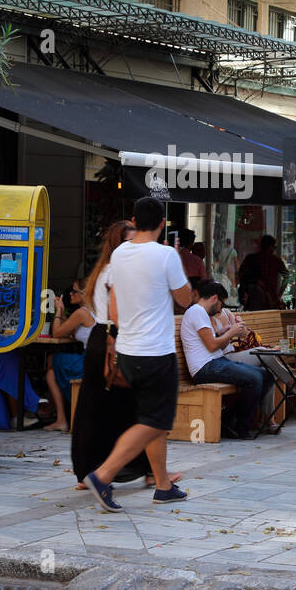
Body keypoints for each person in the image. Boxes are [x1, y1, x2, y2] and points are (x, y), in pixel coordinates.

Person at [84, 197, 193, 512]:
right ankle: (103, 475)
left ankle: (162, 485)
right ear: (162, 224)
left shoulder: (119, 254)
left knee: (151, 415)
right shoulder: (166, 255)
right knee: (155, 421)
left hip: (127, 352)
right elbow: (185, 299)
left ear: (134, 220)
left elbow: (116, 306)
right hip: (156, 352)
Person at [71, 220, 153, 489]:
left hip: (101, 340)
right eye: (132, 241)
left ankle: (89, 471)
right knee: (136, 408)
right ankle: (149, 471)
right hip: (115, 341)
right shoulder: (120, 272)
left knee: (95, 408)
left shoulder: (103, 270)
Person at [179, 281, 273, 439]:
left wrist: (224, 331)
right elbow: (211, 346)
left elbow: (211, 340)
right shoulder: (197, 312)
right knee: (255, 378)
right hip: (205, 368)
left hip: (216, 363)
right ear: (215, 298)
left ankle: (229, 418)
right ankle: (240, 427)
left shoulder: (200, 312)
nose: (221, 309)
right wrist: (232, 333)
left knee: (266, 376)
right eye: (222, 304)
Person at [43, 280, 94, 431]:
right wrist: (64, 312)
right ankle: (61, 419)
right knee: (51, 374)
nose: (70, 294)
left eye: (74, 291)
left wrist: (58, 311)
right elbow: (70, 329)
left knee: (53, 358)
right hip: (93, 360)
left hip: (88, 362)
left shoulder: (82, 313)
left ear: (84, 294)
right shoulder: (90, 311)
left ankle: (56, 409)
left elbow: (57, 332)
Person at [237, 235, 288, 311]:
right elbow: (287, 277)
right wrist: (278, 295)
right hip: (269, 299)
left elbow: (241, 275)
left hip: (256, 300)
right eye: (274, 247)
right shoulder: (275, 261)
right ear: (270, 247)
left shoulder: (251, 259)